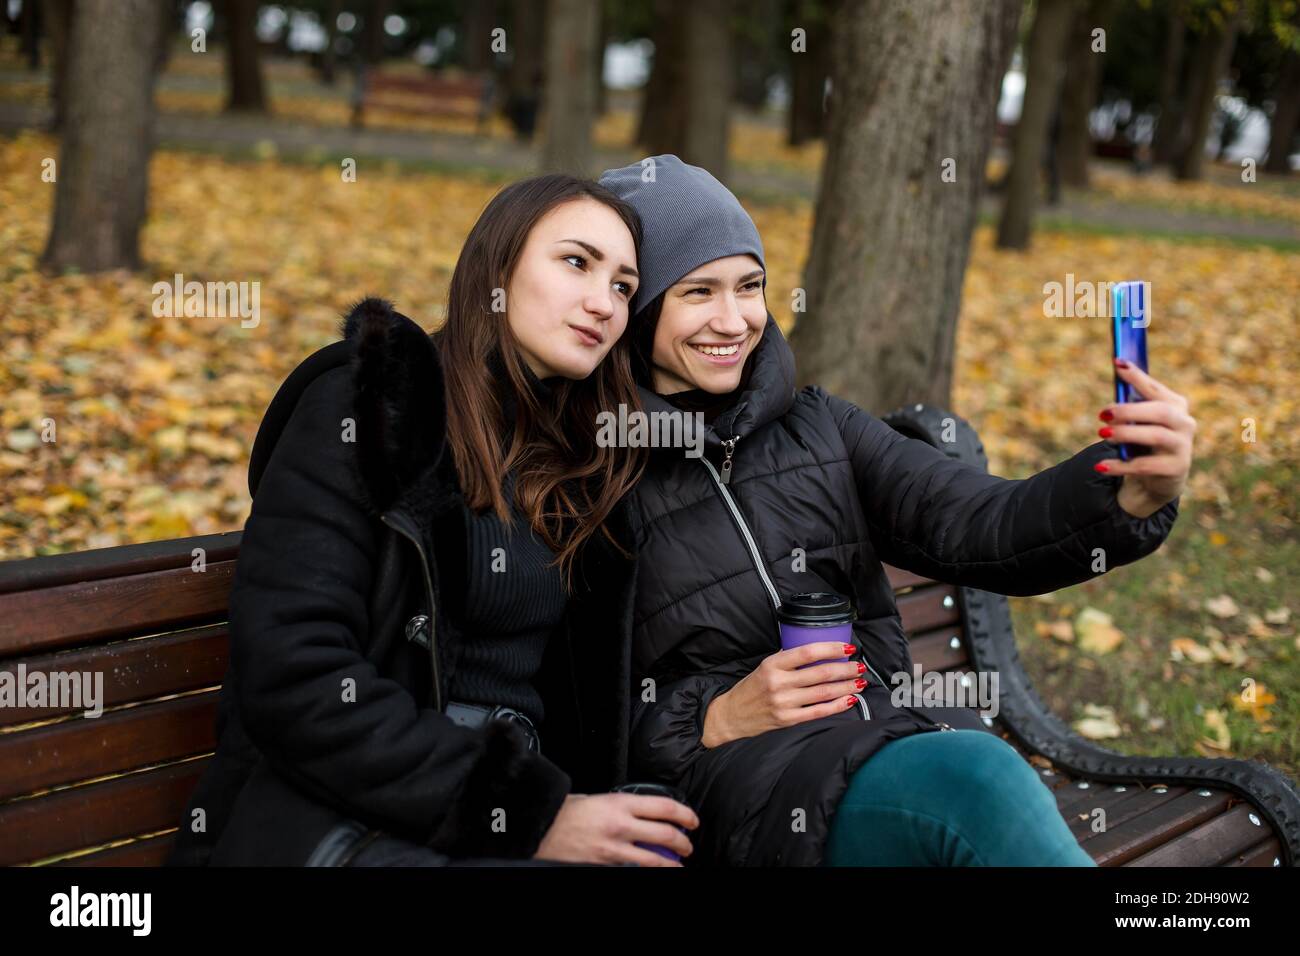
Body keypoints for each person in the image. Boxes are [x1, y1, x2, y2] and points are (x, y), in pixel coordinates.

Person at [597, 155, 1195, 866]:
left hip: (877, 740)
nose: (734, 320)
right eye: (698, 292)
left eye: (750, 287)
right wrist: (714, 718)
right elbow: (562, 707)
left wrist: (1126, 492)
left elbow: (981, 525)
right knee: (974, 779)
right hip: (728, 798)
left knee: (970, 778)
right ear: (638, 307)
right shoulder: (586, 474)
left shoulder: (818, 427)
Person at [167, 174, 698, 868]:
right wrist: (523, 813)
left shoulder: (579, 460)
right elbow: (295, 678)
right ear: (496, 269)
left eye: (625, 287)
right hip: (341, 822)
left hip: (517, 804)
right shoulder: (373, 414)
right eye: (576, 262)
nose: (603, 303)